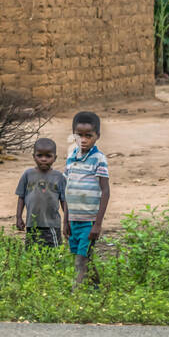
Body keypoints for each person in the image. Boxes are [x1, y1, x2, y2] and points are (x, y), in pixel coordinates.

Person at [64, 111, 109, 287]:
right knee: (83, 257)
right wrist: (66, 220)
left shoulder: (99, 159)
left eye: (88, 136)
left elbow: (105, 191)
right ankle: (97, 287)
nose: (83, 140)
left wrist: (97, 224)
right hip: (73, 219)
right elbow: (68, 189)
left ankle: (75, 294)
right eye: (79, 135)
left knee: (81, 260)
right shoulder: (70, 157)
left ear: (97, 136)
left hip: (89, 221)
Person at [14, 137, 67, 248]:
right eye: (39, 155)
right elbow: (21, 197)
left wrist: (67, 220)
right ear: (34, 157)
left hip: (51, 225)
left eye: (48, 156)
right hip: (31, 224)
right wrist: (18, 217)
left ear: (55, 158)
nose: (43, 159)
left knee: (54, 254)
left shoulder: (59, 177)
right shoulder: (28, 174)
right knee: (31, 255)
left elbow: (64, 201)